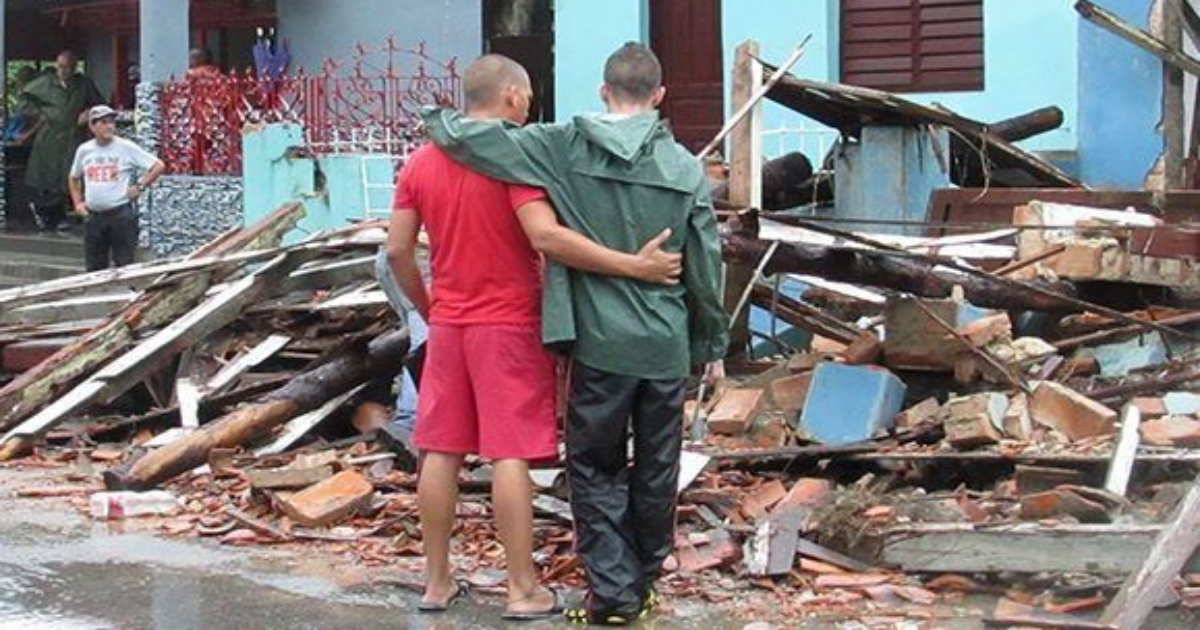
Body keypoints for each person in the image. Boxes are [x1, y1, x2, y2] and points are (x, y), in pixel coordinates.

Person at [422, 43, 729, 625]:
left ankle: (613, 593)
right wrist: (709, 345)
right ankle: (641, 581)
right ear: (659, 97)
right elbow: (707, 268)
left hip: (599, 342)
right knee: (658, 468)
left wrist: (435, 119)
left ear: (602, 91)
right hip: (664, 344)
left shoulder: (561, 147)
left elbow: (472, 138)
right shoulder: (685, 168)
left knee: (595, 467)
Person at [68, 105, 166, 271]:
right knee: (94, 267)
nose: (109, 126)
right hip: (94, 216)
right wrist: (78, 203)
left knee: (124, 263)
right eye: (103, 122)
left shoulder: (125, 147)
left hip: (120, 214)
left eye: (112, 122)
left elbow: (158, 166)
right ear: (92, 126)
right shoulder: (84, 150)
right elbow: (74, 177)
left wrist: (140, 186)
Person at [19, 50, 103, 234]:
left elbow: (99, 104)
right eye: (60, 66)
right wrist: (42, 115)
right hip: (50, 137)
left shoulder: (83, 84)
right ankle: (50, 217)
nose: (63, 71)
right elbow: (24, 101)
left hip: (73, 135)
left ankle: (68, 214)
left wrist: (89, 114)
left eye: (67, 67)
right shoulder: (45, 83)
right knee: (46, 177)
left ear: (74, 67)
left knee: (71, 174)